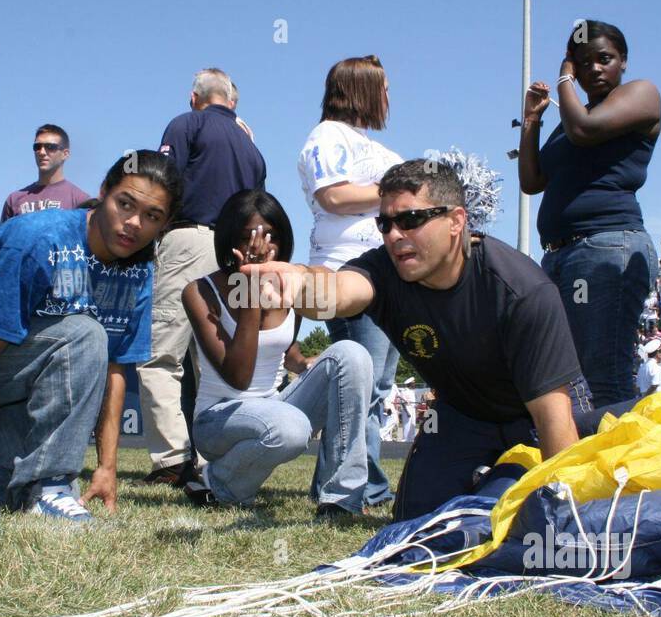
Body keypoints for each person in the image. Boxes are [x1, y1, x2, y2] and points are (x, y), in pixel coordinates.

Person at [244, 158, 589, 522]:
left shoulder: (520, 291)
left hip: (537, 410)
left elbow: (553, 416)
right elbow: (339, 292)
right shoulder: (386, 270)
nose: (394, 235)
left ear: (456, 221)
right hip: (464, 412)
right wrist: (298, 282)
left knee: (524, 511)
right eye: (385, 223)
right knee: (416, 519)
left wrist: (566, 511)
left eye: (410, 220)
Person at [0, 150, 178, 519]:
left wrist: (107, 468)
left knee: (11, 482)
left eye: (152, 216)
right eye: (125, 204)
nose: (134, 223)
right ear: (103, 193)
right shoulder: (40, 239)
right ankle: (51, 483)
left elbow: (116, 370)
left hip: (19, 381)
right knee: (84, 333)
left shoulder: (139, 268)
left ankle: (33, 486)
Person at [182, 189, 373, 518]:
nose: (260, 248)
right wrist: (253, 292)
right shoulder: (200, 291)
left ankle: (342, 498)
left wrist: (308, 365)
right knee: (291, 428)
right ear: (229, 241)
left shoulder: (289, 287)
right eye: (248, 238)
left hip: (274, 407)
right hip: (219, 420)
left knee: (351, 354)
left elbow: (284, 350)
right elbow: (239, 376)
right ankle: (217, 481)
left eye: (270, 237)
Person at [519, 20, 661, 407]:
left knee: (604, 375)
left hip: (606, 245)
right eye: (583, 63)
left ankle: (620, 466)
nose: (594, 69)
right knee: (571, 376)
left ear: (623, 62)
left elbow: (585, 130)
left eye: (604, 59)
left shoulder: (640, 94)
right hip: (561, 254)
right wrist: (532, 120)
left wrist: (564, 78)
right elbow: (531, 180)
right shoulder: (568, 120)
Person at [139, 68, 266, 487]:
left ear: (195, 97)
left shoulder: (187, 123)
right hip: (237, 251)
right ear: (233, 102)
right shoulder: (251, 147)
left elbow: (162, 183)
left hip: (190, 240)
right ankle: (213, 457)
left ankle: (173, 459)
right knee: (215, 358)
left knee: (161, 355)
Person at [299, 55, 404, 506]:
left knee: (375, 387)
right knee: (359, 385)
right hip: (347, 270)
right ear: (360, 90)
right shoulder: (327, 135)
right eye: (382, 87)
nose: (388, 97)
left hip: (387, 273)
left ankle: (352, 484)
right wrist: (399, 192)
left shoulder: (374, 146)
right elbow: (334, 194)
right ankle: (354, 488)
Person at [0, 123, 91, 223]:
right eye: (37, 147)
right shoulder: (14, 200)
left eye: (50, 147)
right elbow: (3, 237)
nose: (42, 152)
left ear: (65, 154)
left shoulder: (80, 200)